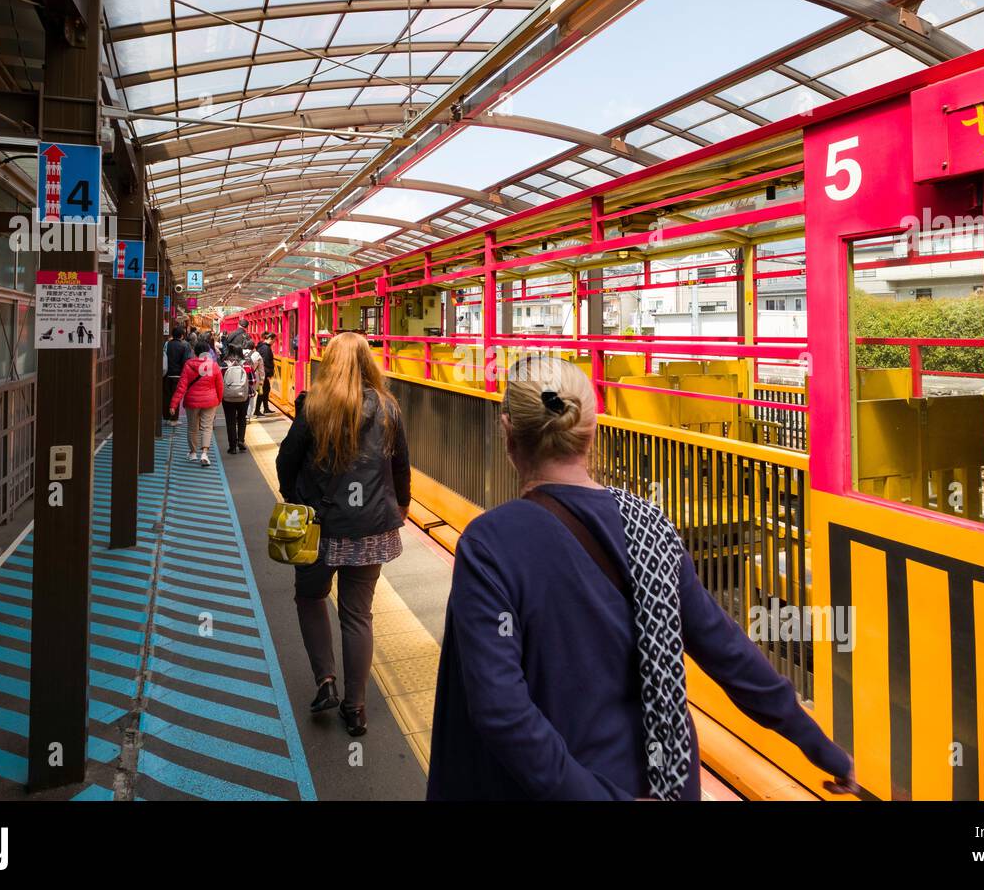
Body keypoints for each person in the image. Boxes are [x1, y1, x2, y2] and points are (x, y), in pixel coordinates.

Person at [426, 355, 856, 801]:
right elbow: (728, 651)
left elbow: (501, 710)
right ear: (593, 430)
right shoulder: (651, 526)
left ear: (508, 433)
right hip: (664, 785)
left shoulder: (490, 545)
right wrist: (819, 745)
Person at [275, 332, 411, 737]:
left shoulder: (313, 405)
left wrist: (296, 499)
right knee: (357, 615)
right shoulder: (387, 407)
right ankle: (356, 708)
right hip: (369, 528)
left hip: (319, 528)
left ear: (328, 361)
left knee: (310, 597)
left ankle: (325, 681)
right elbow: (400, 465)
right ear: (368, 362)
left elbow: (286, 460)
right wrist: (400, 505)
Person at [169, 339, 224, 466]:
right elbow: (219, 385)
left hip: (192, 401)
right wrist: (219, 399)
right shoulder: (214, 365)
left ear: (195, 351)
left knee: (192, 428)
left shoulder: (189, 364)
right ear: (207, 352)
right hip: (210, 401)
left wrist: (173, 404)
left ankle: (193, 453)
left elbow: (181, 386)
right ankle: (204, 454)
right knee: (207, 427)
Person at [220, 344, 253, 455]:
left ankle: (232, 447)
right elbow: (252, 380)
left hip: (228, 398)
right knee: (242, 419)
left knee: (230, 421)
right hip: (243, 397)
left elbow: (219, 381)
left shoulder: (224, 364)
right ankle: (241, 441)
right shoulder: (246, 364)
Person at [163, 327, 190, 425]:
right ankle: (174, 419)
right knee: (176, 397)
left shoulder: (167, 344)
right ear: (182, 335)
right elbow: (185, 362)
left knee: (166, 396)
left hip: (166, 374)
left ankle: (166, 417)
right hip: (178, 375)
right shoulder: (184, 346)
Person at [254, 333, 275, 416]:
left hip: (261, 373)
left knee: (265, 390)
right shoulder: (266, 348)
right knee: (262, 391)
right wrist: (268, 374)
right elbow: (265, 362)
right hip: (263, 374)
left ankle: (265, 408)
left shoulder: (261, 346)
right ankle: (257, 410)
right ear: (270, 338)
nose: (274, 342)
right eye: (273, 340)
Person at [245, 342, 265, 420]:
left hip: (241, 377)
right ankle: (248, 415)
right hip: (253, 377)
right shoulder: (257, 354)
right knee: (251, 396)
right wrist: (262, 380)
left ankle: (241, 413)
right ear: (254, 347)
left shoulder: (240, 351)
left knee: (243, 395)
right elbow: (261, 369)